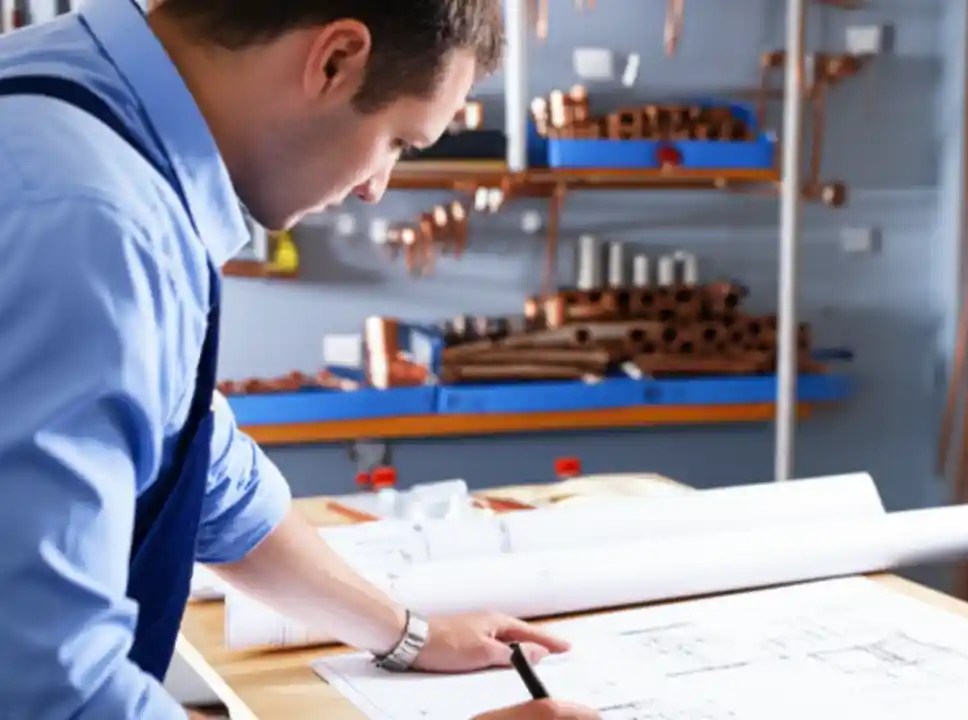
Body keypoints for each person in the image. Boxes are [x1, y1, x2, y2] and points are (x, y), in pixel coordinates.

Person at [0, 0, 599, 718]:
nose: (378, 187)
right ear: (337, 60)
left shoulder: (68, 96)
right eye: (399, 141)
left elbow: (199, 460)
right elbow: (50, 687)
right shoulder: (92, 222)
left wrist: (406, 635)